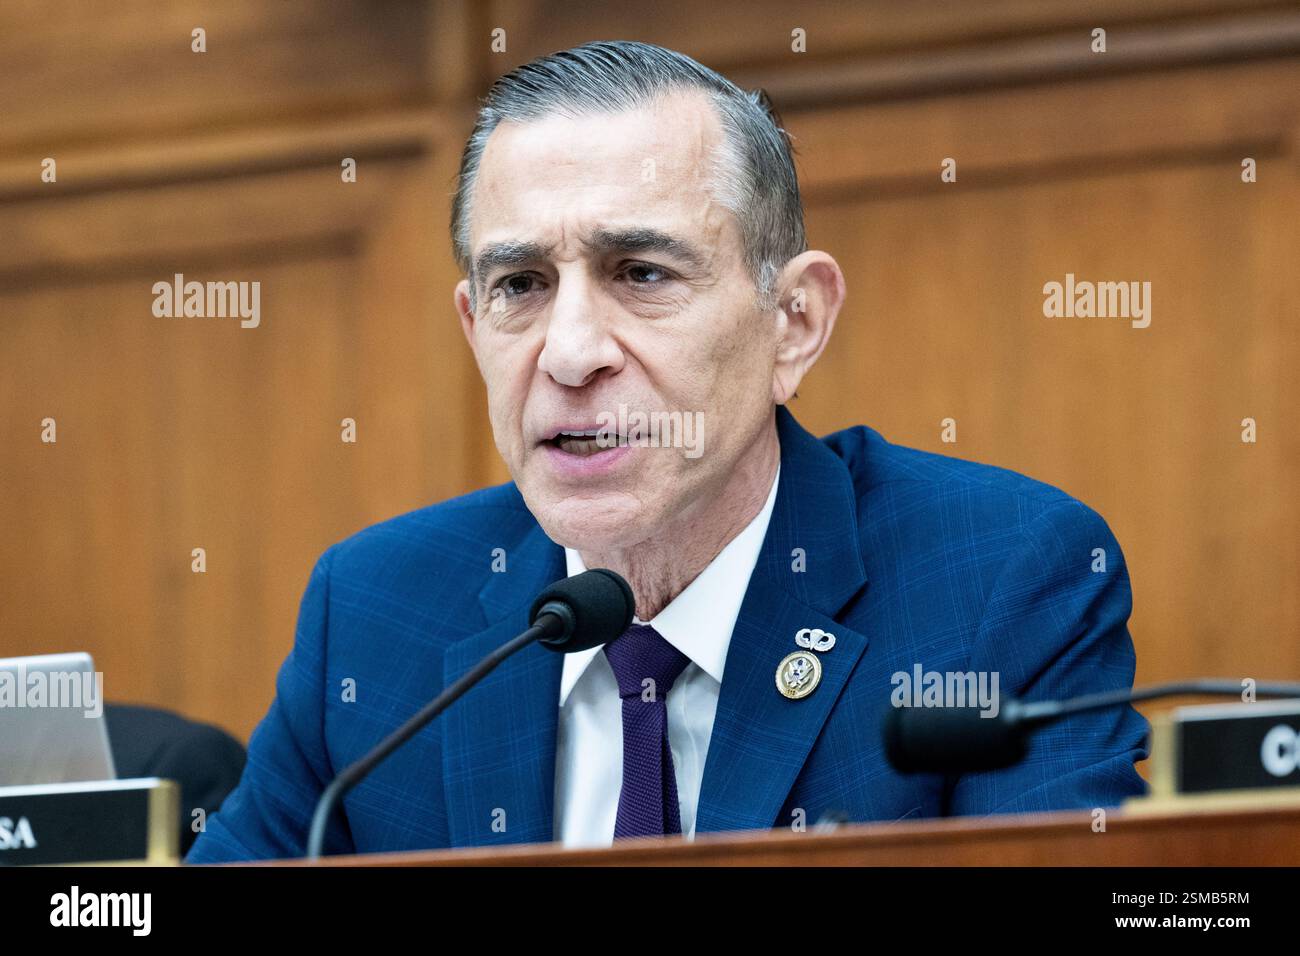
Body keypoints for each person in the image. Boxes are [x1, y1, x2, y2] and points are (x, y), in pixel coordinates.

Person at [187, 40, 1147, 862]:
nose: (568, 353)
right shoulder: (373, 613)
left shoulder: (993, 585)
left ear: (794, 323)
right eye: (520, 284)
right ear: (473, 326)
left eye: (641, 273)